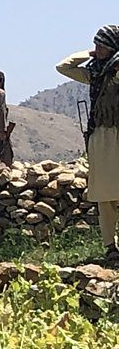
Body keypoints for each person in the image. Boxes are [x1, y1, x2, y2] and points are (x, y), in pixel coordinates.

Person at [56, 25, 119, 263]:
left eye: (102, 45)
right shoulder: (94, 72)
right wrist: (88, 54)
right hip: (100, 139)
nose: (98, 49)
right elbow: (63, 67)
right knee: (105, 194)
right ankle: (110, 246)